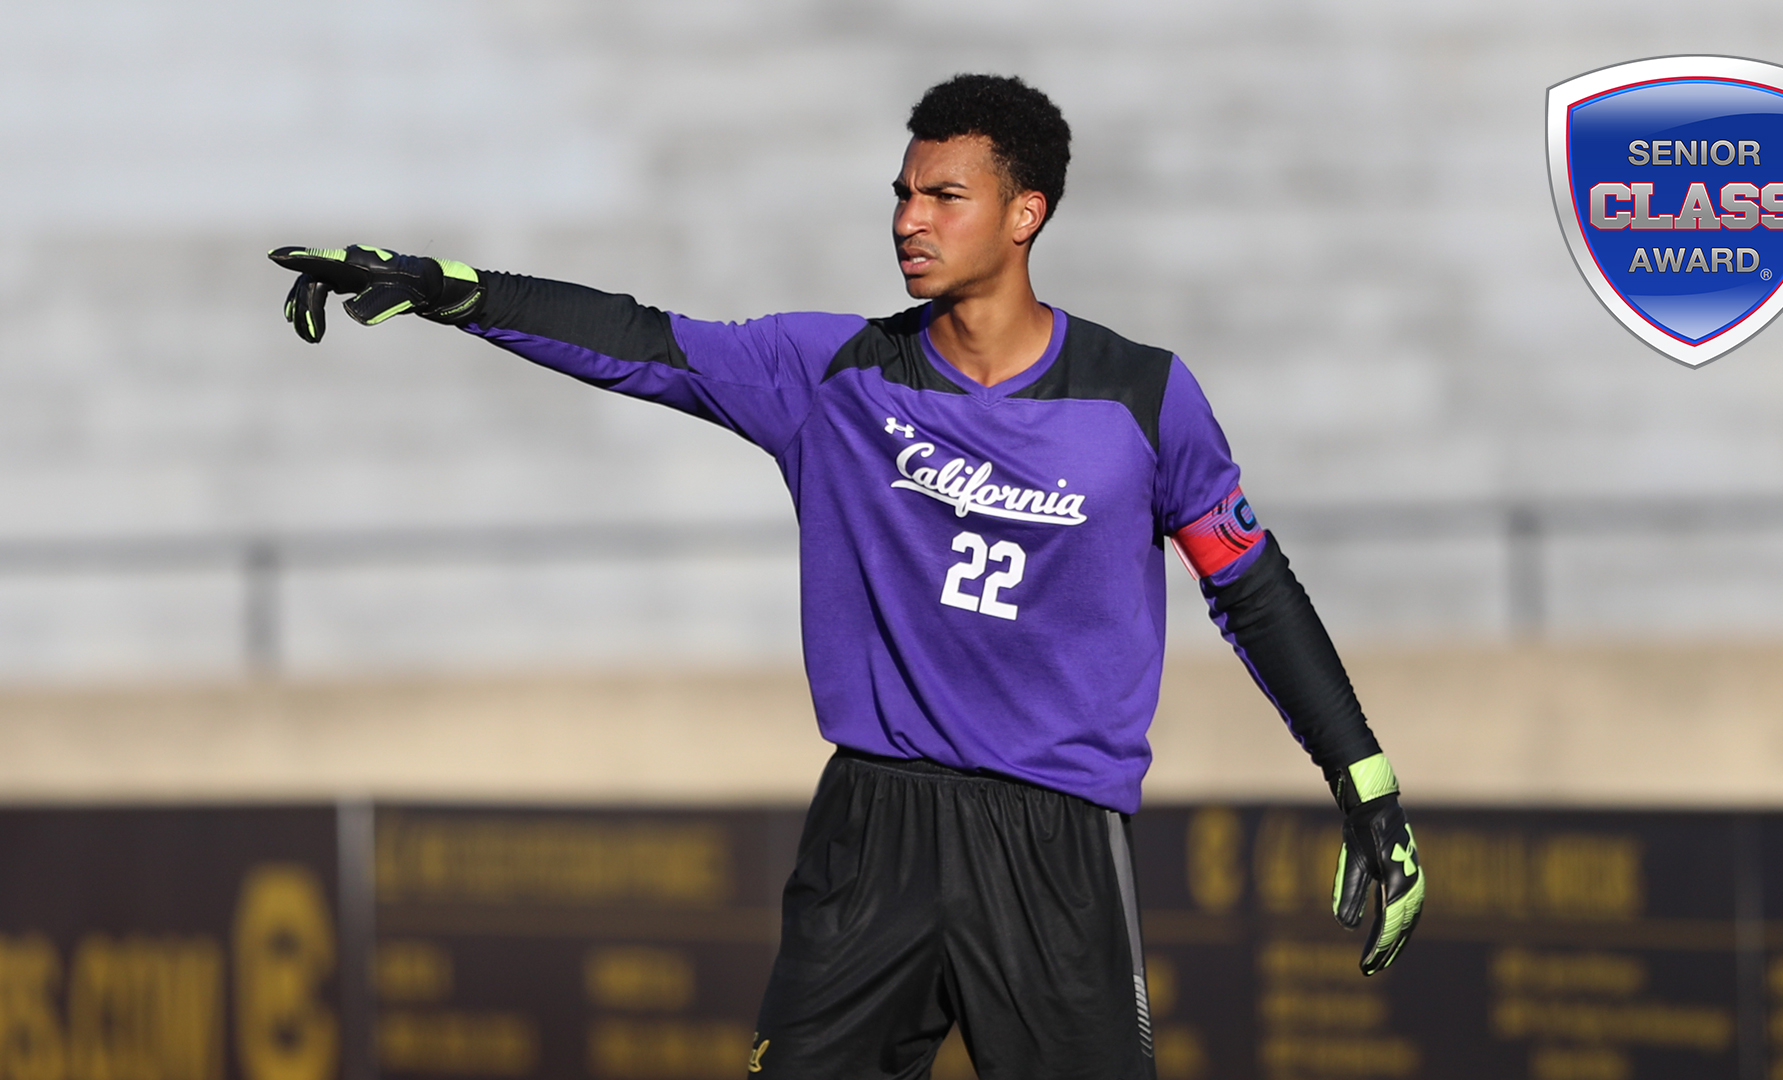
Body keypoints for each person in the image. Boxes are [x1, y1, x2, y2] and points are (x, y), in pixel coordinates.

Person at [271, 73, 1423, 1080]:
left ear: (1027, 215)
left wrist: (1364, 783)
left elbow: (1254, 589)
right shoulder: (833, 371)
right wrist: (449, 287)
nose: (908, 221)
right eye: (901, 193)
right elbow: (641, 340)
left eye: (943, 198)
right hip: (872, 832)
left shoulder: (1144, 397)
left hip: (1057, 846)